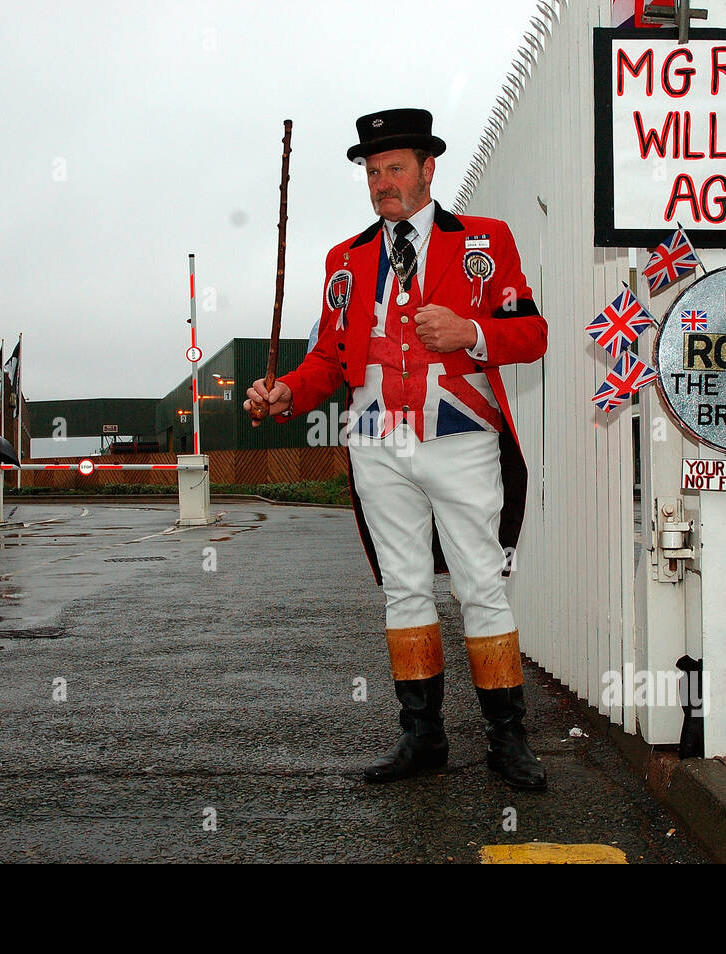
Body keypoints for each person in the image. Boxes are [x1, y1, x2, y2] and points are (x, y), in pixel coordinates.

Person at [245, 108, 548, 789]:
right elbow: (328, 359)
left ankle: (509, 742)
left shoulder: (485, 240)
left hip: (461, 437)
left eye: (395, 168)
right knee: (404, 590)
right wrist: (288, 393)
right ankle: (422, 739)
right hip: (377, 442)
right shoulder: (345, 259)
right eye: (373, 171)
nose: (383, 182)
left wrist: (470, 331)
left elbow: (531, 334)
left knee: (481, 589)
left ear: (428, 169)